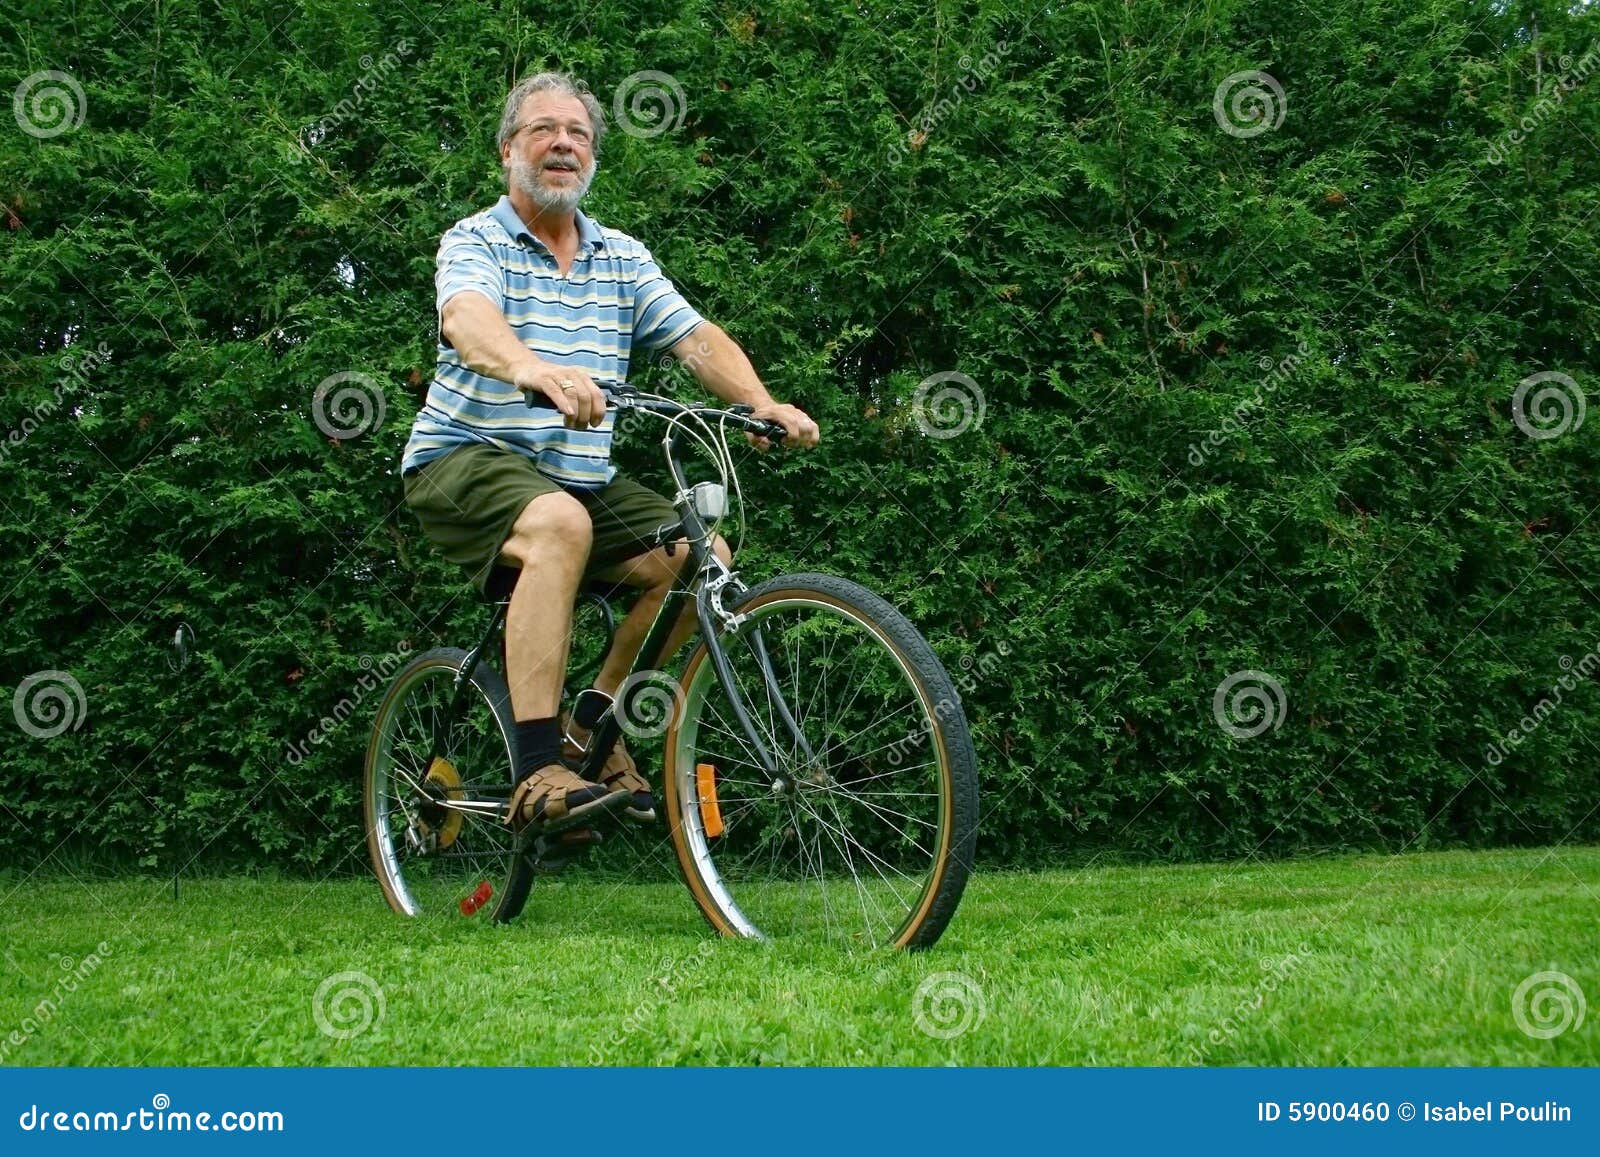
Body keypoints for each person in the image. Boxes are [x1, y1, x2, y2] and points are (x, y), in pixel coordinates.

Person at [400, 72, 819, 835]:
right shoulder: (476, 240)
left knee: (701, 556)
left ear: (592, 154)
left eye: (579, 133)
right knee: (560, 523)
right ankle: (537, 773)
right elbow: (467, 317)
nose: (563, 144)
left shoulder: (621, 257)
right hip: (463, 460)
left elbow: (695, 339)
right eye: (543, 129)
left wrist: (760, 402)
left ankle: (589, 726)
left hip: (576, 478)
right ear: (507, 151)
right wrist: (531, 367)